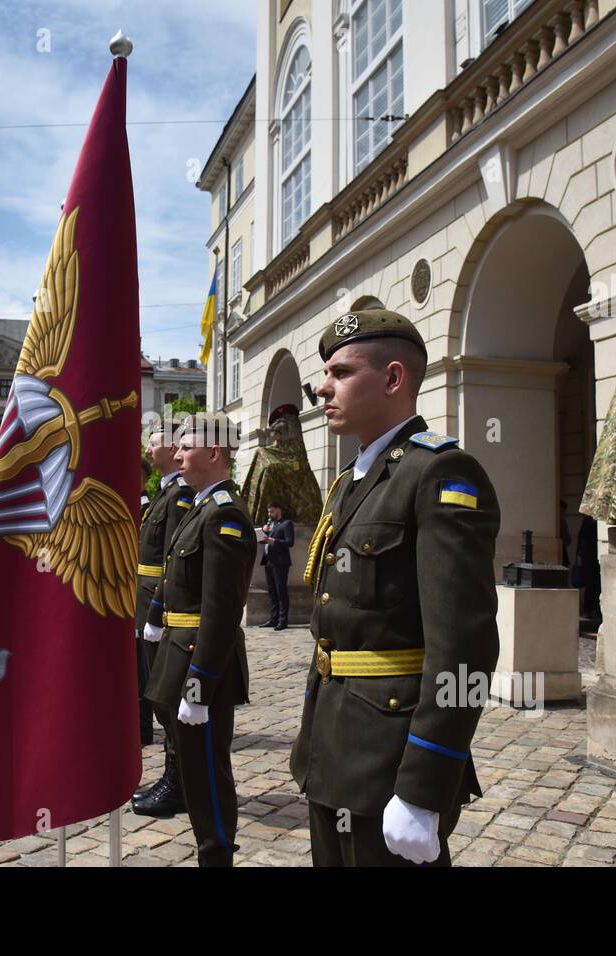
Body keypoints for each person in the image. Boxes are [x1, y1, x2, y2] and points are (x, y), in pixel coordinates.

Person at [290, 308, 500, 867]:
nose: (322, 386)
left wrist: (425, 787)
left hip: (390, 755)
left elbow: (466, 647)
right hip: (331, 742)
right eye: (324, 373)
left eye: (340, 372)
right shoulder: (352, 479)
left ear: (392, 379)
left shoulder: (439, 473)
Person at [142, 414, 256, 867]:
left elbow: (222, 610)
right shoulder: (200, 507)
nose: (178, 453)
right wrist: (154, 616)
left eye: (187, 446)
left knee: (208, 772)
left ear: (213, 453)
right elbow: (174, 574)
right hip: (177, 652)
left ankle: (217, 854)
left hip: (199, 663)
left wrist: (201, 684)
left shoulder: (225, 514)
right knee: (190, 766)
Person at [131, 428, 196, 813]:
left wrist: (156, 611)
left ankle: (179, 783)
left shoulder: (180, 496)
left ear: (172, 448)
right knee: (158, 697)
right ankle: (173, 777)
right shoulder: (166, 492)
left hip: (160, 608)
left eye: (154, 442)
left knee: (166, 699)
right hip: (146, 603)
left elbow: (172, 561)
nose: (149, 449)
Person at [258, 501, 295, 630]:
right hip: (268, 561)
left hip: (280, 562)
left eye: (272, 511)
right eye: (268, 512)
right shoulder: (270, 525)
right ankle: (274, 619)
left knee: (281, 591)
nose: (270, 514)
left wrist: (273, 541)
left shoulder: (286, 524)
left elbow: (290, 542)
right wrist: (263, 533)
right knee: (272, 591)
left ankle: (282, 620)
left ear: (278, 510)